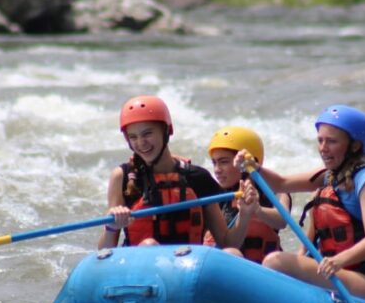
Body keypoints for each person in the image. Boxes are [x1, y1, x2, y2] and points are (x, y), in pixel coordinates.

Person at [239, 104, 365, 303]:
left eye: (332, 141)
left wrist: (338, 261)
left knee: (276, 261)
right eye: (320, 140)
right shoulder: (329, 177)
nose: (323, 148)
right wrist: (255, 167)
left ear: (355, 146)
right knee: (280, 262)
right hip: (341, 273)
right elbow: (281, 183)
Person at [100, 95, 255, 249]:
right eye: (133, 137)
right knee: (149, 245)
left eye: (147, 133)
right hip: (138, 264)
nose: (141, 143)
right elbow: (104, 251)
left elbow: (228, 243)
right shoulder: (123, 177)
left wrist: (245, 214)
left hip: (186, 264)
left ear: (167, 131)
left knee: (233, 253)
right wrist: (111, 227)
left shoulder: (197, 178)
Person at [205, 126, 290, 262]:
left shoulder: (275, 189)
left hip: (263, 268)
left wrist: (257, 210)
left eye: (224, 162)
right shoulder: (215, 194)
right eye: (214, 163)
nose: (217, 170)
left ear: (247, 163)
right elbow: (228, 244)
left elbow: (282, 220)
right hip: (230, 264)